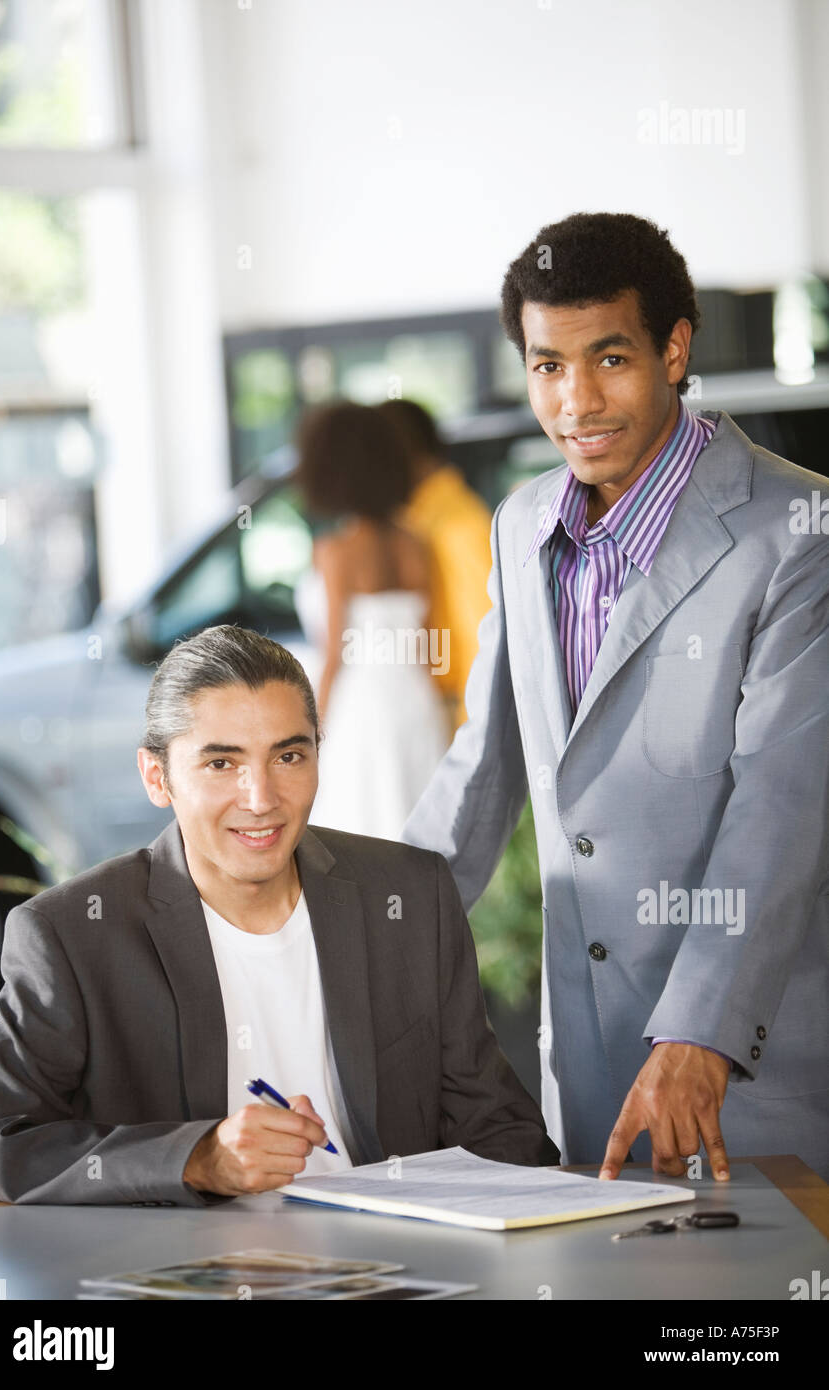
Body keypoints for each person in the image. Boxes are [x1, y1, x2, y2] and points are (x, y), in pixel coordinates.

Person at [403, 211, 829, 1183]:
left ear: (672, 349)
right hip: (586, 1070)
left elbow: (779, 811)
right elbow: (482, 769)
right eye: (546, 365)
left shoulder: (795, 532)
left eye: (607, 358)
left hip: (738, 1067)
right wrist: (354, 941)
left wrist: (696, 1037)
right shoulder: (518, 526)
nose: (575, 400)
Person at [0, 625, 557, 1205]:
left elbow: (498, 1130)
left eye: (288, 756)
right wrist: (198, 1158)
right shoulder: (71, 934)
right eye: (222, 764)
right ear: (156, 776)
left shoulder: (408, 895)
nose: (261, 799)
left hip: (401, 1270)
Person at [294, 401, 449, 839]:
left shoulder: (334, 551)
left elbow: (334, 656)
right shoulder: (416, 544)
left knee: (356, 842)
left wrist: (310, 733)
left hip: (359, 710)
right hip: (417, 701)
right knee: (417, 838)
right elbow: (431, 640)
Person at [377, 398, 493, 733]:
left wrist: (471, 731)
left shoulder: (459, 524)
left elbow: (484, 636)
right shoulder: (421, 520)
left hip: (458, 717)